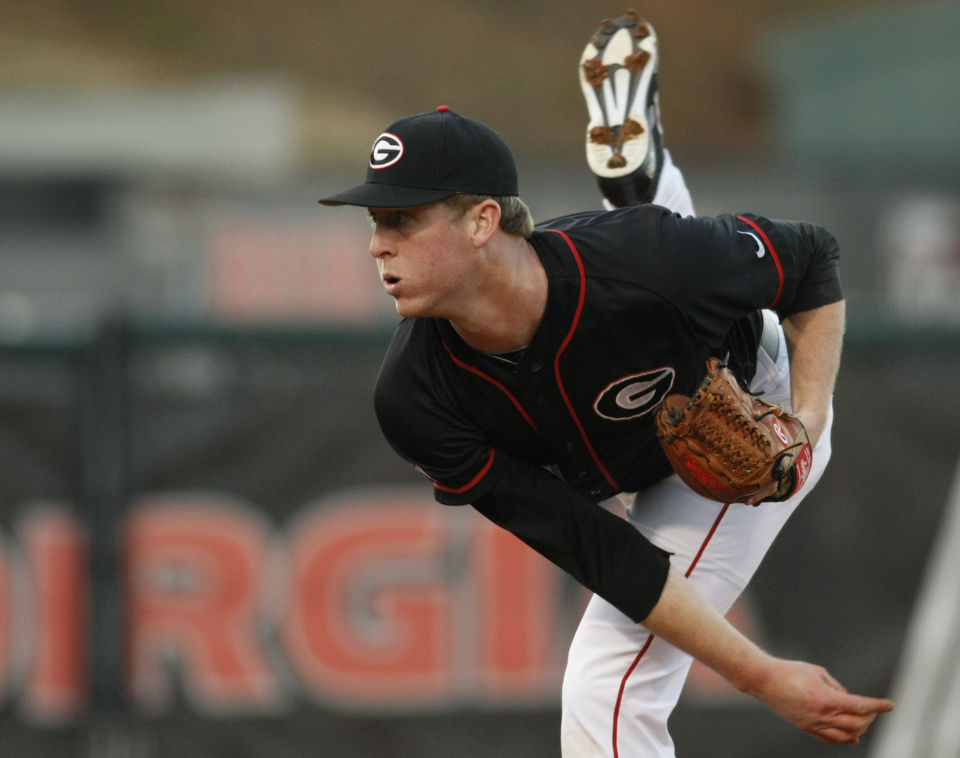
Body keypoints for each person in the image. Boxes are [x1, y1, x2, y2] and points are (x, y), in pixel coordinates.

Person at [320, 11, 894, 756]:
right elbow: (602, 550)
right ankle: (643, 173)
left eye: (401, 218)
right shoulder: (416, 399)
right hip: (637, 419)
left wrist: (809, 425)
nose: (376, 244)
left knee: (606, 682)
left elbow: (811, 263)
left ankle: (648, 187)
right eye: (374, 220)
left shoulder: (639, 264)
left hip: (748, 392)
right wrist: (762, 675)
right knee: (668, 272)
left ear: (481, 220)